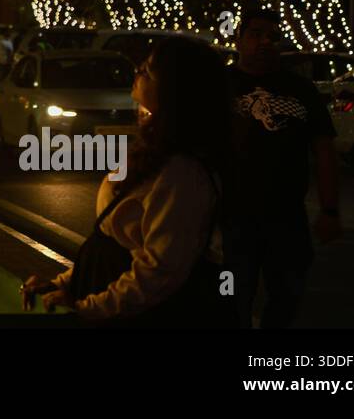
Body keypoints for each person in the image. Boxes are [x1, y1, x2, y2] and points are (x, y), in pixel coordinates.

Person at [22, 37, 236, 326]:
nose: (137, 74)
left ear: (175, 89)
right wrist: (63, 284)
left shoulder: (182, 173)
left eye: (147, 71)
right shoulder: (153, 151)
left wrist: (91, 307)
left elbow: (158, 272)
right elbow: (114, 241)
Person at [225, 5, 340, 328]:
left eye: (273, 36)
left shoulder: (301, 90)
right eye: (255, 34)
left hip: (286, 216)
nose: (265, 42)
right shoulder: (220, 86)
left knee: (287, 296)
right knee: (232, 298)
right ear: (239, 39)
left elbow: (324, 149)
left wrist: (330, 210)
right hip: (231, 214)